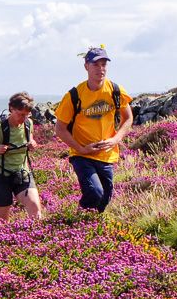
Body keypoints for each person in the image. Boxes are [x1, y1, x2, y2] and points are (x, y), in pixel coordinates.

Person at [54, 46, 133, 213]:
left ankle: (88, 229)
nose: (101, 68)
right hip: (82, 155)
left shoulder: (115, 91)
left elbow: (128, 118)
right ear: (86, 66)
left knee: (104, 200)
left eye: (104, 64)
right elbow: (60, 128)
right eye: (96, 64)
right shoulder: (74, 95)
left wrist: (116, 139)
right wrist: (81, 148)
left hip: (107, 155)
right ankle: (75, 223)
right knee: (94, 192)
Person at [0, 91, 42, 220]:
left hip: (23, 173)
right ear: (11, 108)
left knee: (36, 211)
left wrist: (32, 142)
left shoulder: (28, 124)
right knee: (2, 221)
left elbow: (30, 136)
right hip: (0, 176)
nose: (23, 118)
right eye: (20, 114)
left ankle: (38, 238)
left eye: (26, 115)